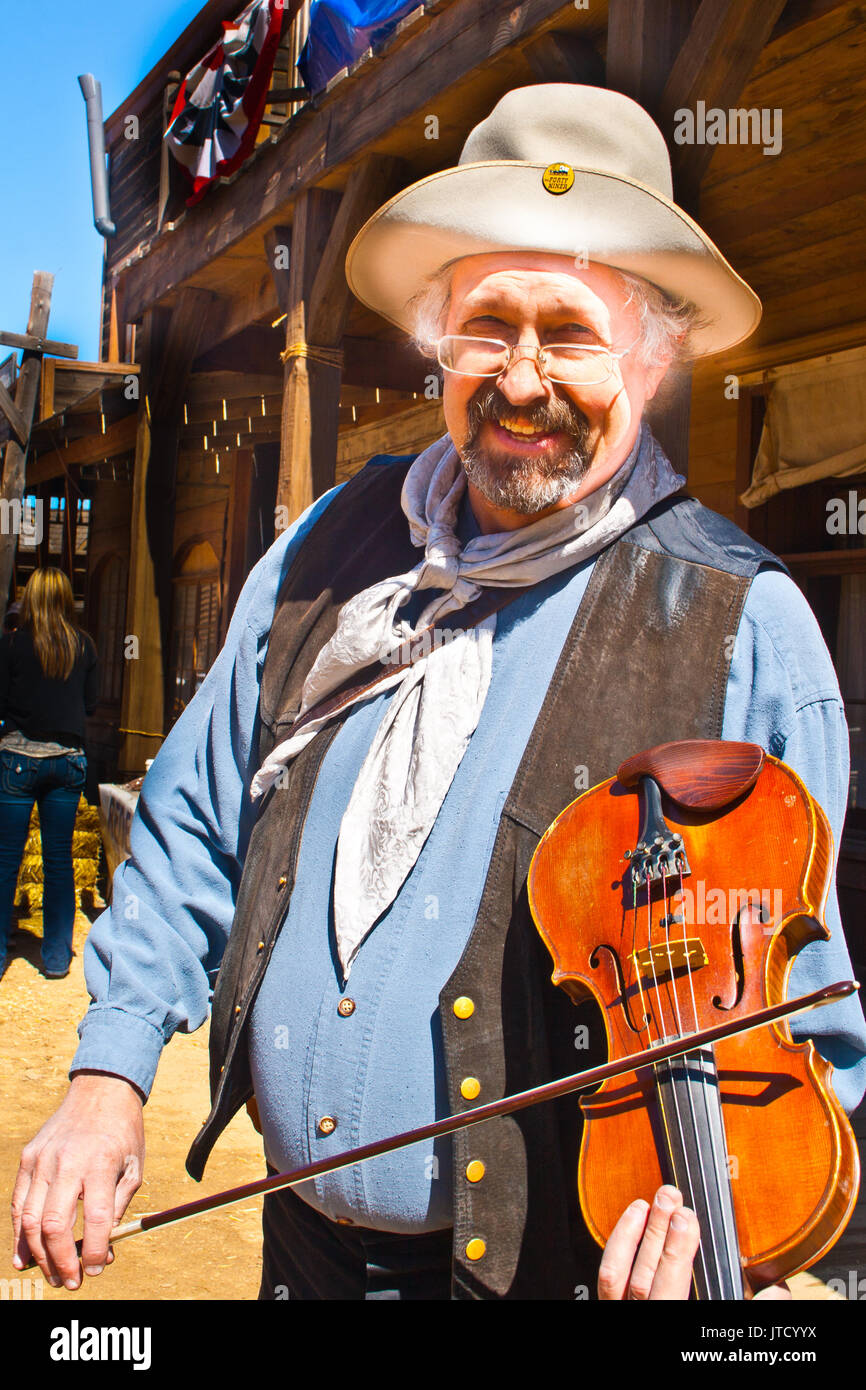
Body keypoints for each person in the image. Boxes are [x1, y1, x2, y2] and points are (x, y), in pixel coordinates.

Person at [12, 85, 866, 1300]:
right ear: (438, 338)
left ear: (654, 352)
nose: (521, 378)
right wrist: (108, 1070)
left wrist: (748, 1278)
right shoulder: (324, 545)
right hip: (296, 1258)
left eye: (568, 332)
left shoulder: (743, 623)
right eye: (487, 327)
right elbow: (198, 821)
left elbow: (797, 1029)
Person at [0, 568, 98, 980]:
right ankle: (56, 958)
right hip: (68, 761)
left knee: (6, 860)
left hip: (19, 758)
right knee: (58, 860)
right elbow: (90, 705)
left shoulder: (11, 645)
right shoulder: (84, 646)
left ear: (31, 598)